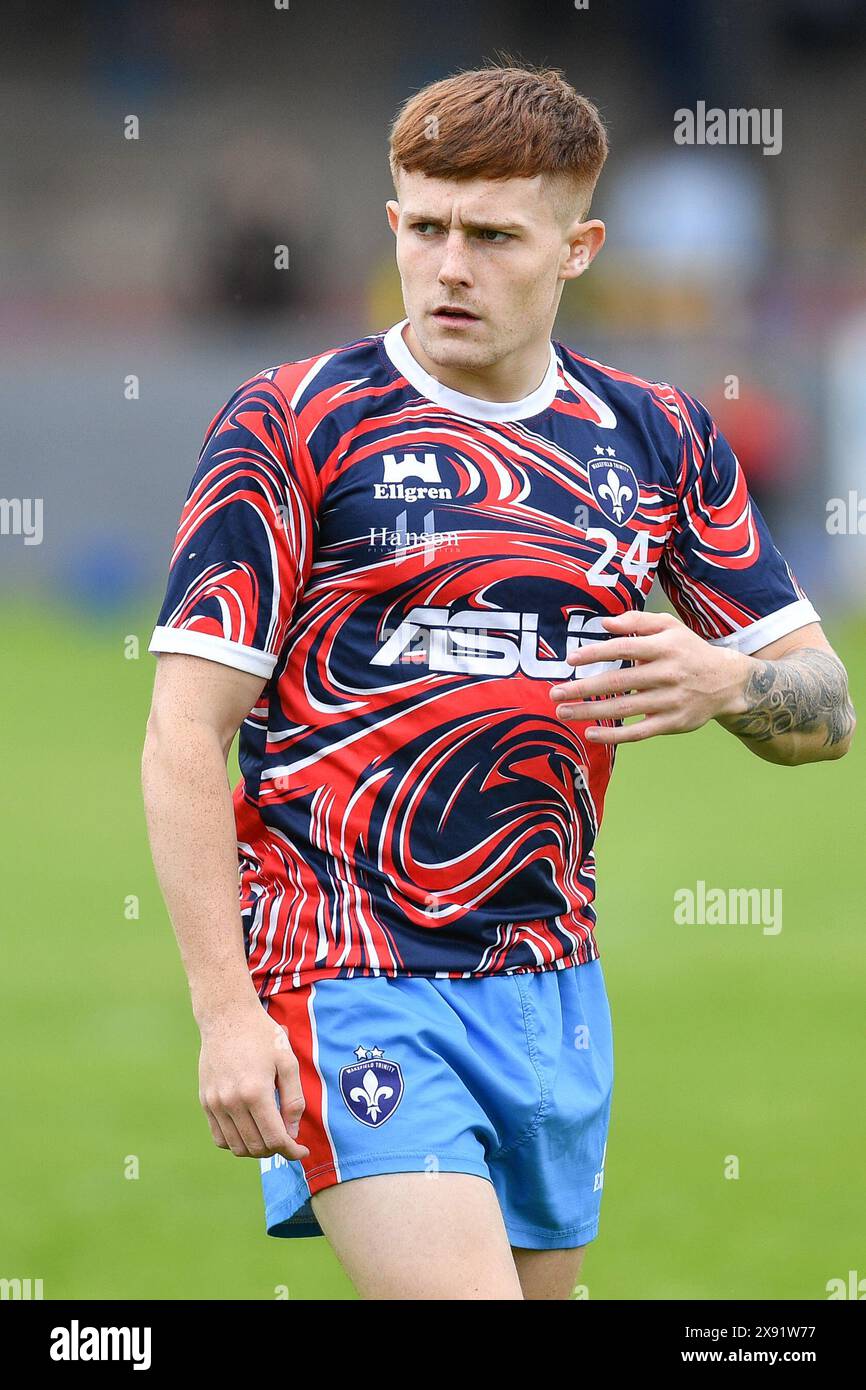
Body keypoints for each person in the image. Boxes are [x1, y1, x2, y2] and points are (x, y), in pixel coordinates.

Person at [141, 63, 855, 1301]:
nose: (450, 267)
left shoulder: (658, 438)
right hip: (347, 975)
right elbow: (179, 734)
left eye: (491, 236)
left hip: (551, 989)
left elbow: (826, 709)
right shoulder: (295, 420)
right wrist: (224, 1011)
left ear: (576, 248)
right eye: (424, 228)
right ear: (392, 226)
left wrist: (728, 680)